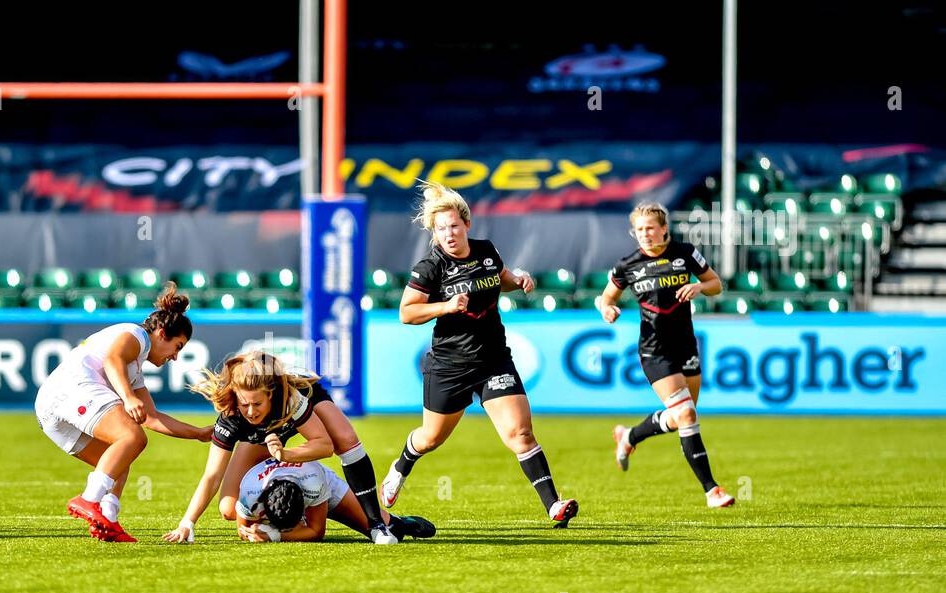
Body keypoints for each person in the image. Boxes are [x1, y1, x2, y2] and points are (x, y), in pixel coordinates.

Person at [381, 181, 579, 527]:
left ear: (467, 224)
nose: (449, 234)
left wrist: (519, 281)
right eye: (442, 229)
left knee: (520, 433)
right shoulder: (430, 267)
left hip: (493, 359)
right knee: (429, 439)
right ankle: (400, 466)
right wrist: (445, 306)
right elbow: (406, 313)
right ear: (434, 232)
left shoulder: (486, 251)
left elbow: (497, 277)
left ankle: (553, 505)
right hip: (449, 365)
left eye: (454, 226)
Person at [163, 350, 400, 545]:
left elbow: (325, 445)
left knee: (345, 439)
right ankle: (307, 502)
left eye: (257, 403)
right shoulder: (232, 415)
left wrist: (286, 455)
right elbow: (212, 475)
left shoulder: (290, 398)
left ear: (270, 395)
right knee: (228, 509)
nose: (251, 411)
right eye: (245, 404)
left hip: (306, 397)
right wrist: (187, 523)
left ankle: (380, 522)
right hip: (262, 436)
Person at [36, 283, 212, 543]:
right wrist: (128, 398)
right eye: (178, 346)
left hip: (50, 409)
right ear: (162, 333)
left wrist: (198, 433)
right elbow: (112, 360)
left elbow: (151, 417)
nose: (175, 357)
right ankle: (89, 499)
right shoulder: (137, 335)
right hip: (70, 391)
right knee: (132, 438)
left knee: (119, 460)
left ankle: (108, 521)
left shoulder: (135, 367)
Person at [599, 201, 735, 508]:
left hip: (686, 345)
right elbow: (605, 297)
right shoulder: (627, 265)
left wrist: (699, 289)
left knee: (681, 418)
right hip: (654, 351)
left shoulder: (684, 254)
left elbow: (716, 284)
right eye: (639, 230)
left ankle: (630, 436)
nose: (645, 235)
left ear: (664, 230)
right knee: (686, 414)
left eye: (650, 228)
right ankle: (712, 490)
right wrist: (607, 309)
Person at [232, 458, 435, 543]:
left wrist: (276, 536)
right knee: (226, 510)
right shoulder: (250, 492)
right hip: (281, 486)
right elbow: (242, 528)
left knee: (386, 530)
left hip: (326, 487)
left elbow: (316, 531)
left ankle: (400, 522)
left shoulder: (313, 481)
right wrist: (252, 533)